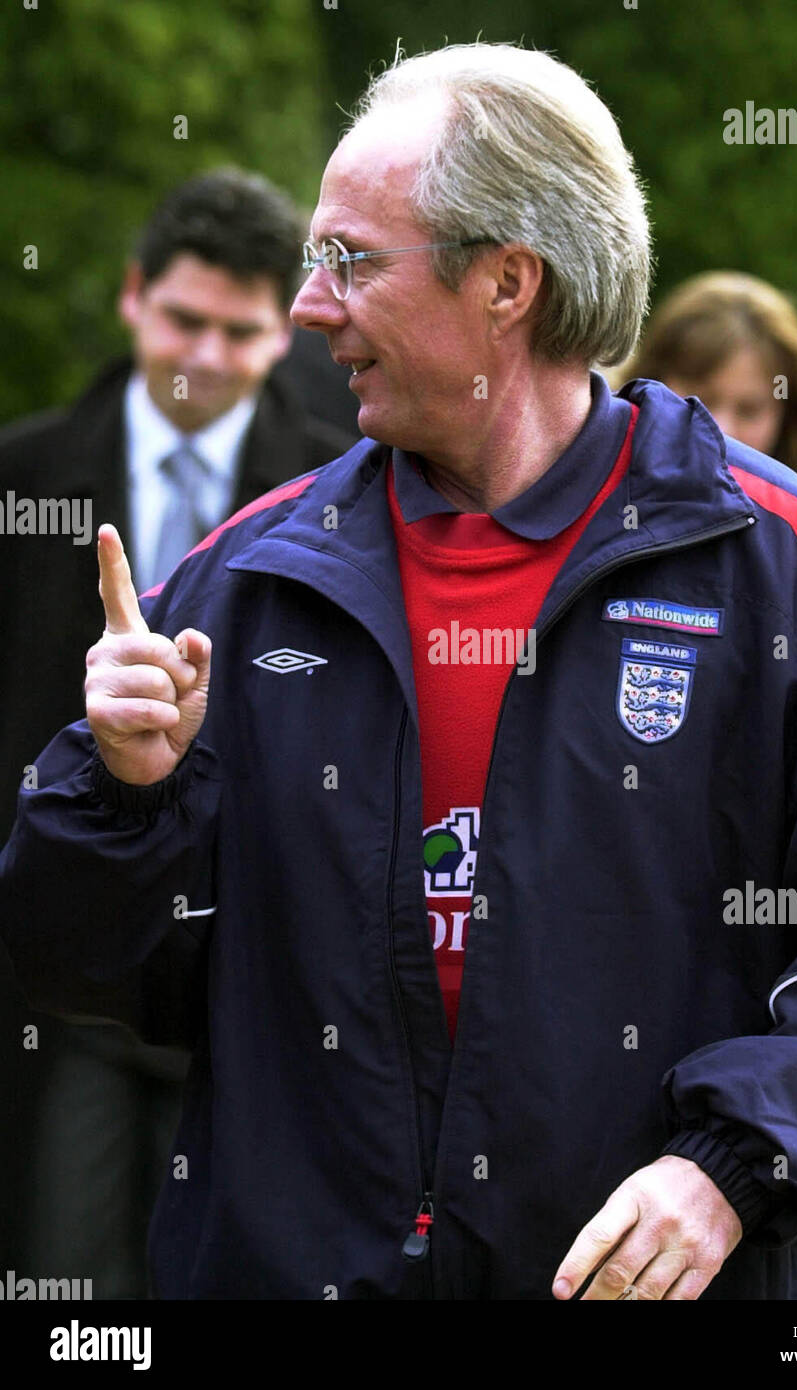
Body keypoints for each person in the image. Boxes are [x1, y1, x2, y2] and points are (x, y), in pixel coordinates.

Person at [2, 41, 797, 1302]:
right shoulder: (251, 575)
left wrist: (735, 1164)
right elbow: (84, 970)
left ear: (507, 282)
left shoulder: (768, 564)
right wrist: (123, 798)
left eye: (348, 259)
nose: (306, 307)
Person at [0, 167, 357, 1297]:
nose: (202, 354)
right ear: (131, 298)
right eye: (181, 318)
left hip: (260, 974)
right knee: (67, 1288)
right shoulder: (21, 478)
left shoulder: (340, 492)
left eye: (239, 331)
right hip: (59, 986)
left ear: (281, 334)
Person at [615, 270, 797, 571]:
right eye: (700, 401)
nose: (722, 430)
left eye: (749, 410)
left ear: (789, 416)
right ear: (646, 387)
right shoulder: (602, 530)